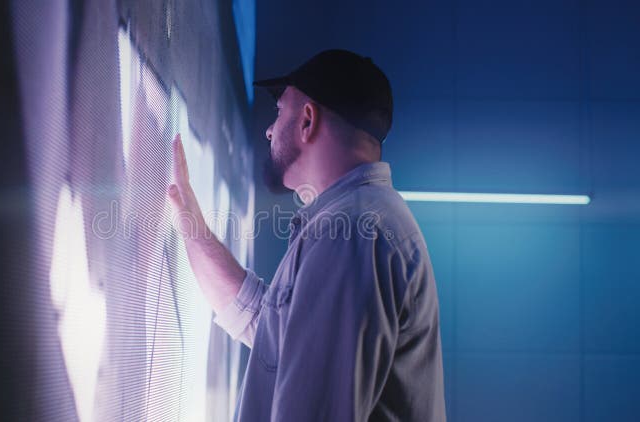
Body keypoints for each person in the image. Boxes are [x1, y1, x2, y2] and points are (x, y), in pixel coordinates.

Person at [167, 49, 446, 421]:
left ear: (307, 120)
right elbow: (267, 329)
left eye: (280, 111)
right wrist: (193, 227)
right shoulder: (358, 222)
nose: (269, 129)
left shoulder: (351, 234)